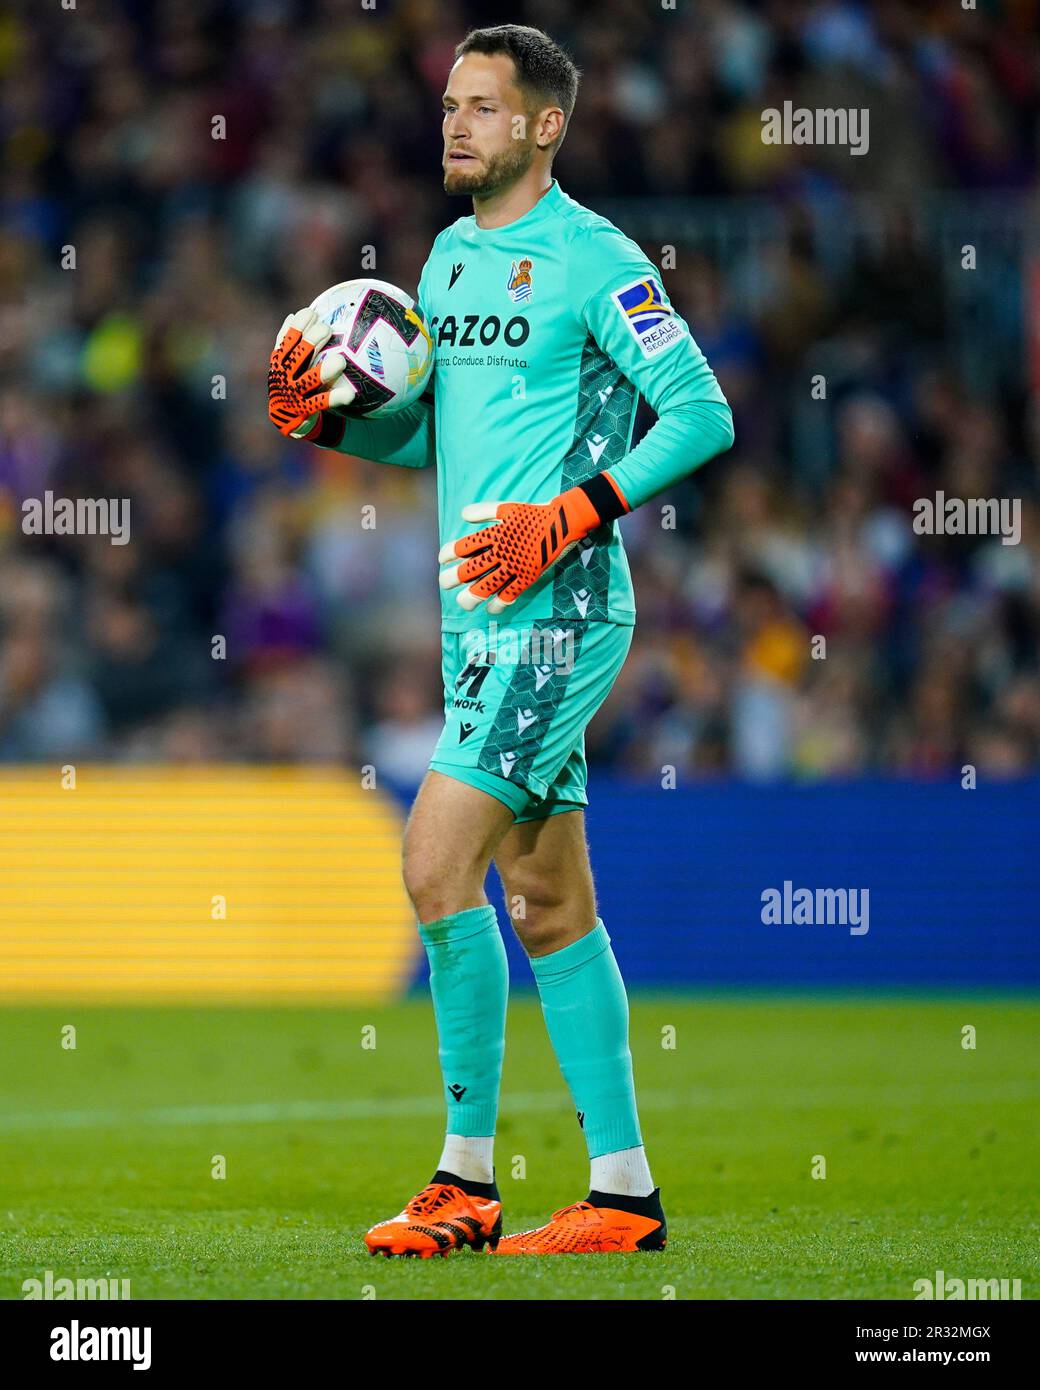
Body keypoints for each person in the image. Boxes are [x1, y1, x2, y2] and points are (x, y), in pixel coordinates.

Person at [267, 24, 733, 1256]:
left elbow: (700, 411)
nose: (454, 126)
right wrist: (330, 427)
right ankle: (621, 1194)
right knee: (544, 899)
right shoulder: (446, 260)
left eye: (482, 107)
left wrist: (567, 519)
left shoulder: (594, 259)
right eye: (449, 105)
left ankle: (463, 1180)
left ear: (544, 127)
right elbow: (437, 439)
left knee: (433, 866)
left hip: (558, 611)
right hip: (479, 615)